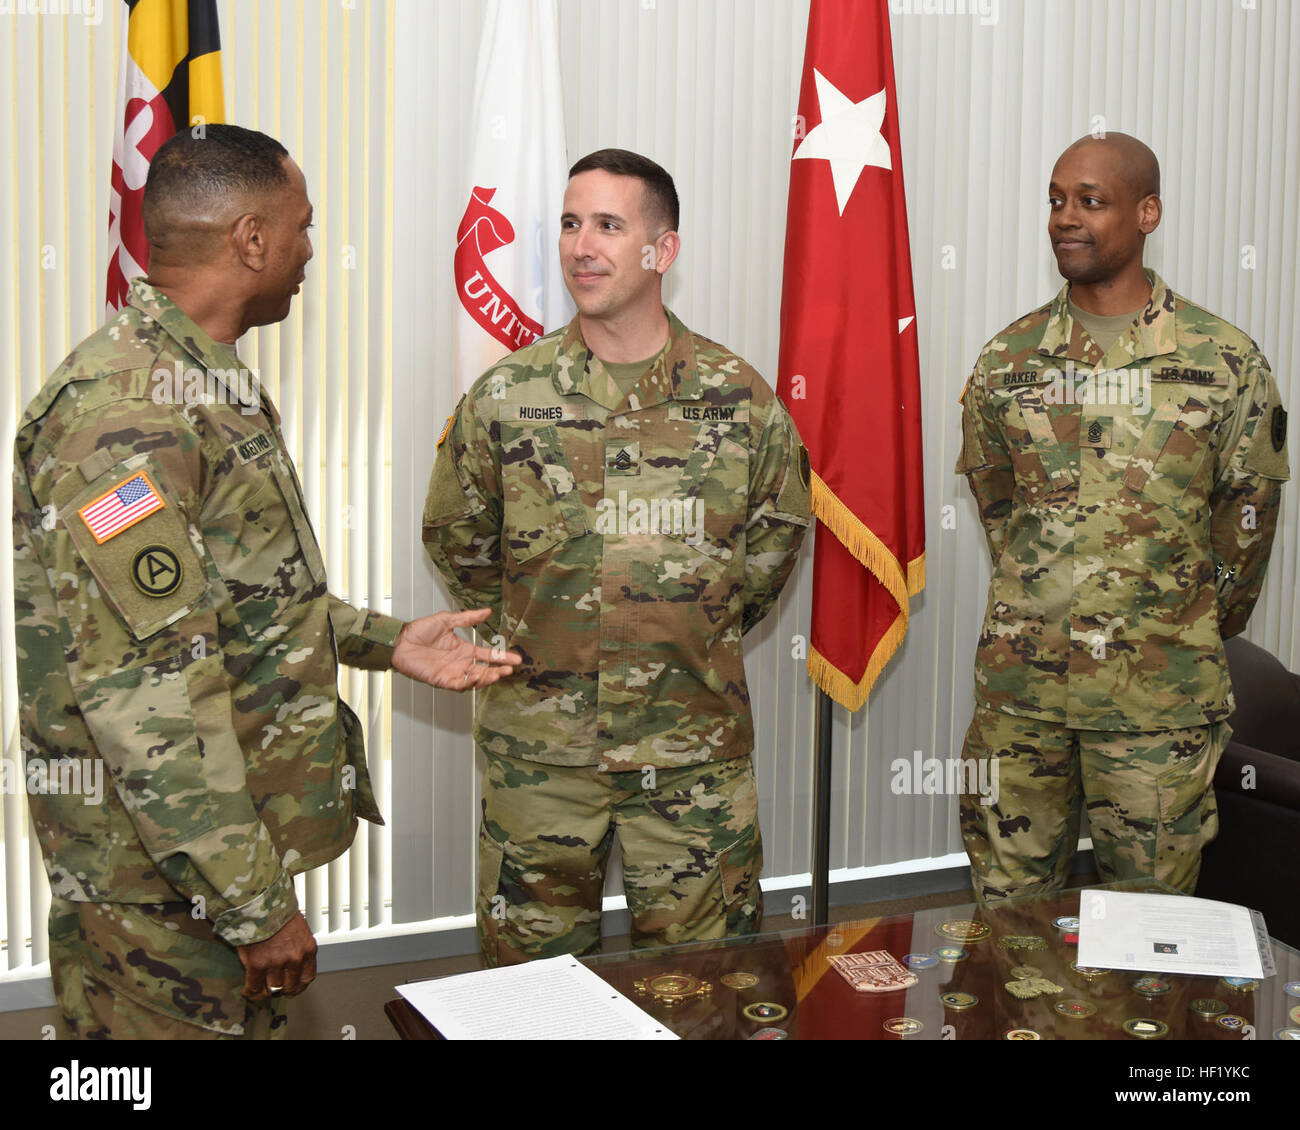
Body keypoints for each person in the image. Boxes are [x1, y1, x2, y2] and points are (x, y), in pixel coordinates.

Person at [12, 124, 519, 1039]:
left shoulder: (201, 381)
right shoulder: (127, 414)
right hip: (158, 899)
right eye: (302, 227)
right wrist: (252, 909)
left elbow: (233, 602)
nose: (309, 252)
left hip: (204, 865)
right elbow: (149, 696)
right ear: (251, 239)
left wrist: (387, 640)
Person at [423, 148, 812, 965]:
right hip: (542, 756)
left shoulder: (739, 400)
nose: (581, 246)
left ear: (661, 251)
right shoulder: (507, 395)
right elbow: (460, 540)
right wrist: (548, 632)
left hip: (690, 758)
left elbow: (772, 543)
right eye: (569, 223)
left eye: (608, 224)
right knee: (526, 1002)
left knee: (705, 991)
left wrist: (685, 630)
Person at [954, 132, 1289, 900]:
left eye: (1091, 201)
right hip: (1023, 698)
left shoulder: (1223, 362)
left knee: (1150, 934)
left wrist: (1174, 620)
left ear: (1148, 212)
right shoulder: (1008, 362)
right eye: (1056, 199)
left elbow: (1245, 530)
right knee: (1009, 915)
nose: (1065, 218)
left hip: (1158, 703)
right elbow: (1002, 511)